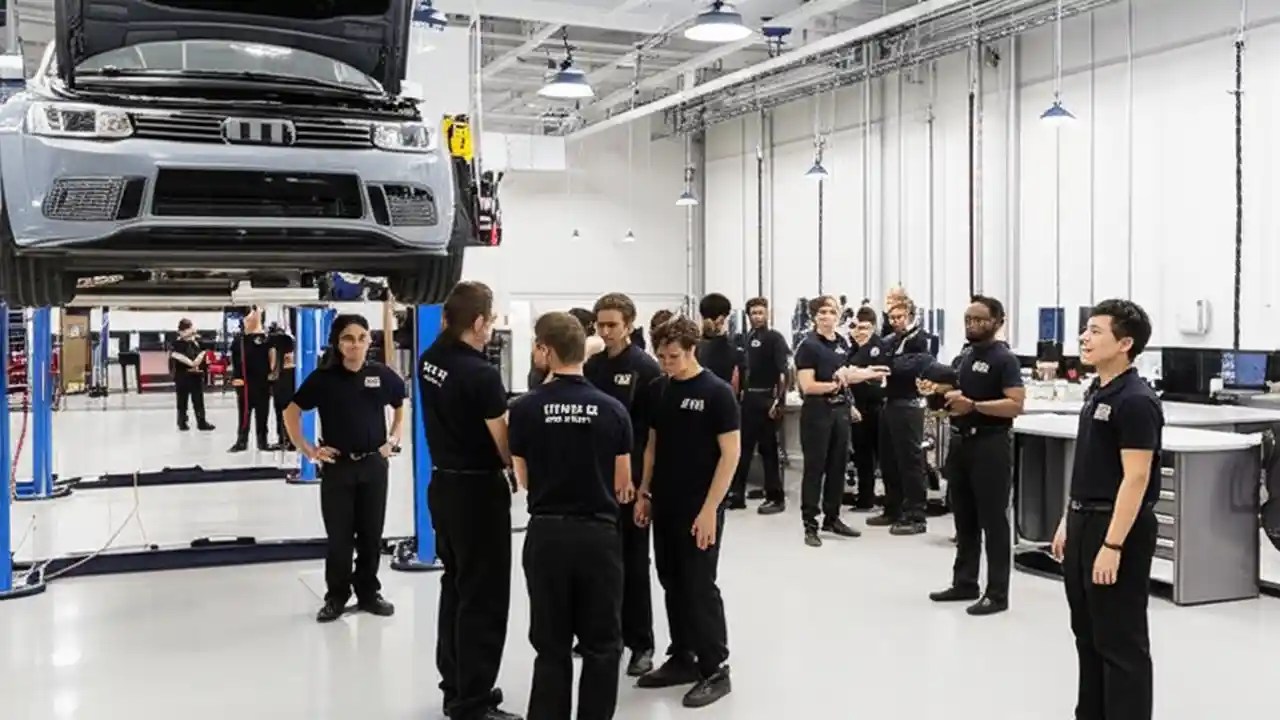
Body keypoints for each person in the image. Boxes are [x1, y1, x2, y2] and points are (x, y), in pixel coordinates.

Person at [510, 311, 635, 720]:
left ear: (545, 349)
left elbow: (524, 478)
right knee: (602, 646)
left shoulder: (526, 408)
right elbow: (622, 482)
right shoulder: (613, 409)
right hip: (598, 537)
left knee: (551, 645)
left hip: (547, 535)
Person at [1051, 299, 1160, 720]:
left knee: (1120, 641)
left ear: (1125, 343)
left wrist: (1113, 544)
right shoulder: (1099, 391)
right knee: (1088, 635)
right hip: (1083, 521)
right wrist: (1067, 518)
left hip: (1115, 528)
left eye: (1096, 331)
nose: (1084, 337)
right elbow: (1090, 464)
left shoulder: (1135, 400)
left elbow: (1136, 478)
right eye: (1086, 329)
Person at [418, 281, 521, 720]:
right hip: (479, 492)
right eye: (490, 320)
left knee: (456, 587)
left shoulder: (430, 359)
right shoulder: (480, 374)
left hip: (443, 486)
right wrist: (521, 467)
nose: (491, 327)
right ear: (478, 322)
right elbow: (503, 442)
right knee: (485, 597)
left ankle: (456, 686)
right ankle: (474, 701)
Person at [634, 316, 737, 708]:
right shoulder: (659, 390)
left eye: (673, 356)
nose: (666, 363)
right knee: (671, 580)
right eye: (661, 356)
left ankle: (715, 667)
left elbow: (731, 454)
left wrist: (711, 509)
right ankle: (683, 657)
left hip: (701, 506)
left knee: (699, 584)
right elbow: (652, 446)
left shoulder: (716, 392)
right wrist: (645, 491)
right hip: (666, 503)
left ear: (692, 350)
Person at [283, 313, 405, 623]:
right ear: (337, 343)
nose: (356, 344)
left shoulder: (380, 374)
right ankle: (336, 596)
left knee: (371, 535)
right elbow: (291, 412)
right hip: (338, 468)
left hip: (374, 466)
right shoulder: (324, 379)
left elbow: (400, 403)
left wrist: (393, 439)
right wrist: (309, 450)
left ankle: (368, 592)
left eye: (362, 338)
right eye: (348, 338)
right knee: (339, 539)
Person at [919, 296, 1024, 616]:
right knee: (964, 518)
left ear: (998, 322)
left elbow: (1016, 404)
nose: (972, 325)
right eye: (968, 319)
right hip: (961, 442)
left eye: (980, 320)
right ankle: (964, 582)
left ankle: (997, 593)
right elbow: (957, 393)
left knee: (993, 520)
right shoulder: (964, 356)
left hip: (990, 445)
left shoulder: (1004, 359)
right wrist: (937, 392)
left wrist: (975, 406)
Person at [583, 292, 661, 678]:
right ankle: (602, 635)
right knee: (597, 562)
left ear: (629, 325)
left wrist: (642, 486)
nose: (605, 331)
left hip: (629, 482)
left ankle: (641, 643)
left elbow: (651, 435)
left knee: (633, 563)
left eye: (612, 324)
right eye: (600, 324)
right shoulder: (591, 366)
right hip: (594, 480)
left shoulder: (645, 369)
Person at [793, 296, 887, 547]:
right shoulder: (808, 346)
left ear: (838, 315)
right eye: (822, 312)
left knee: (838, 466)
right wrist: (836, 384)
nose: (826, 316)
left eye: (831, 311)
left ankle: (832, 518)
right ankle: (810, 524)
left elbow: (848, 374)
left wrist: (868, 374)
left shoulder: (843, 343)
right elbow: (808, 386)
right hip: (817, 412)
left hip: (840, 412)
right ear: (814, 316)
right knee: (816, 469)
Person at [869, 298, 934, 535]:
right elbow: (876, 362)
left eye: (900, 317)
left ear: (911, 316)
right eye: (892, 318)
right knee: (888, 459)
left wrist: (889, 365)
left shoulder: (921, 339)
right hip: (889, 403)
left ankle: (916, 514)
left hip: (909, 404)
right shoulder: (890, 340)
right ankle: (893, 507)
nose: (895, 322)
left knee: (910, 460)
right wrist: (888, 364)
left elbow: (915, 365)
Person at [728, 297, 790, 514]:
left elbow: (783, 373)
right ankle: (737, 494)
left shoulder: (775, 339)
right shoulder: (743, 340)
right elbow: (738, 372)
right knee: (741, 450)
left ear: (767, 314)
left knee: (768, 450)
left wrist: (778, 402)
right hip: (747, 401)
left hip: (767, 400)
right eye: (753, 313)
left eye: (761, 312)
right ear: (748, 315)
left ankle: (776, 497)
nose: (757, 316)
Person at [847, 306, 886, 510]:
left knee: (883, 455)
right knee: (862, 455)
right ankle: (865, 497)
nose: (861, 331)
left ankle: (891, 500)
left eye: (866, 327)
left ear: (873, 327)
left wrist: (859, 372)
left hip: (877, 406)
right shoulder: (852, 348)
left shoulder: (878, 346)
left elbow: (880, 374)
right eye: (858, 327)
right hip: (857, 406)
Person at [229, 307, 273, 452]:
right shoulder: (239, 341)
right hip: (245, 384)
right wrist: (236, 377)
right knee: (244, 414)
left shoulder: (267, 340)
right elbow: (235, 362)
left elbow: (273, 359)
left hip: (262, 383)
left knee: (263, 413)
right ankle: (242, 441)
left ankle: (263, 441)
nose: (247, 320)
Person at [170, 319, 214, 432]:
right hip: (182, 375)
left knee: (198, 399)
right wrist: (192, 363)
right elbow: (177, 357)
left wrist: (199, 362)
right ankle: (182, 422)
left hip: (196, 375)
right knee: (182, 400)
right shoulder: (177, 344)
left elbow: (202, 352)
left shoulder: (196, 342)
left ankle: (201, 421)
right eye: (187, 329)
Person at [695, 293, 742, 391]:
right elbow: (735, 384)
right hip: (722, 401)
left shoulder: (693, 347)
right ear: (722, 319)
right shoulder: (731, 350)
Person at [268, 322, 297, 451]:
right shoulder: (289, 341)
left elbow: (273, 363)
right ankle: (292, 440)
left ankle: (284, 440)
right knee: (290, 412)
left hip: (279, 381)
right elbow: (290, 361)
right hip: (290, 379)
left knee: (280, 412)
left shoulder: (273, 342)